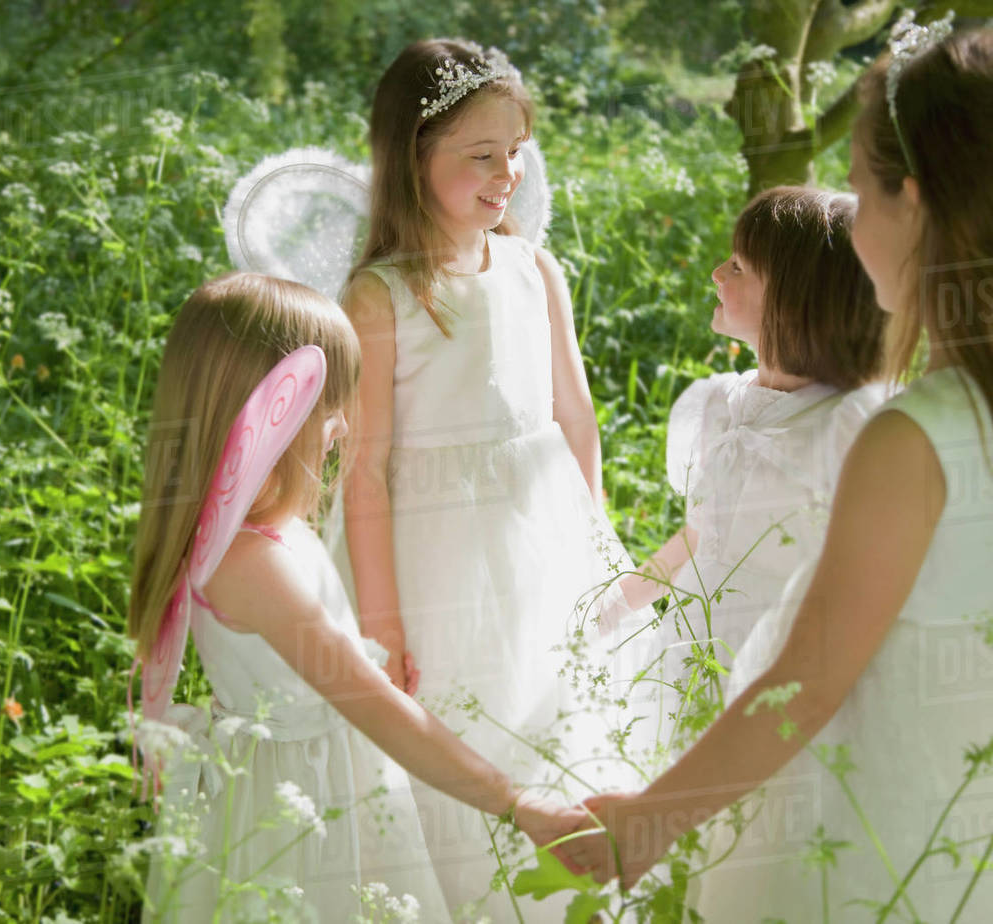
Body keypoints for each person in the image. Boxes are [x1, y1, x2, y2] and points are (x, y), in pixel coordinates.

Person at [566, 24, 993, 923]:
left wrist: (641, 828)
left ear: (911, 205)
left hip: (875, 815)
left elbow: (811, 678)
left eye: (862, 190)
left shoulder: (907, 437)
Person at [127, 272, 585, 923]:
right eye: (327, 405)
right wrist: (518, 804)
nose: (341, 427)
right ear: (269, 411)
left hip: (332, 776)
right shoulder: (251, 563)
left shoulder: (256, 533)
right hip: (304, 807)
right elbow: (379, 713)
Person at [336, 38, 634, 919]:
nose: (506, 174)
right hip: (432, 557)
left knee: (552, 707)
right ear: (412, 156)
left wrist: (596, 545)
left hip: (540, 542)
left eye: (515, 152)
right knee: (460, 716)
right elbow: (368, 464)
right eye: (480, 156)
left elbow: (574, 418)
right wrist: (382, 618)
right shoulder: (382, 294)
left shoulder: (534, 268)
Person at [598, 186, 888, 771]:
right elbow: (703, 537)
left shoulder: (848, 425)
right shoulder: (715, 406)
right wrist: (621, 601)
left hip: (782, 665)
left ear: (791, 300)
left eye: (737, 266)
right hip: (694, 646)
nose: (715, 273)